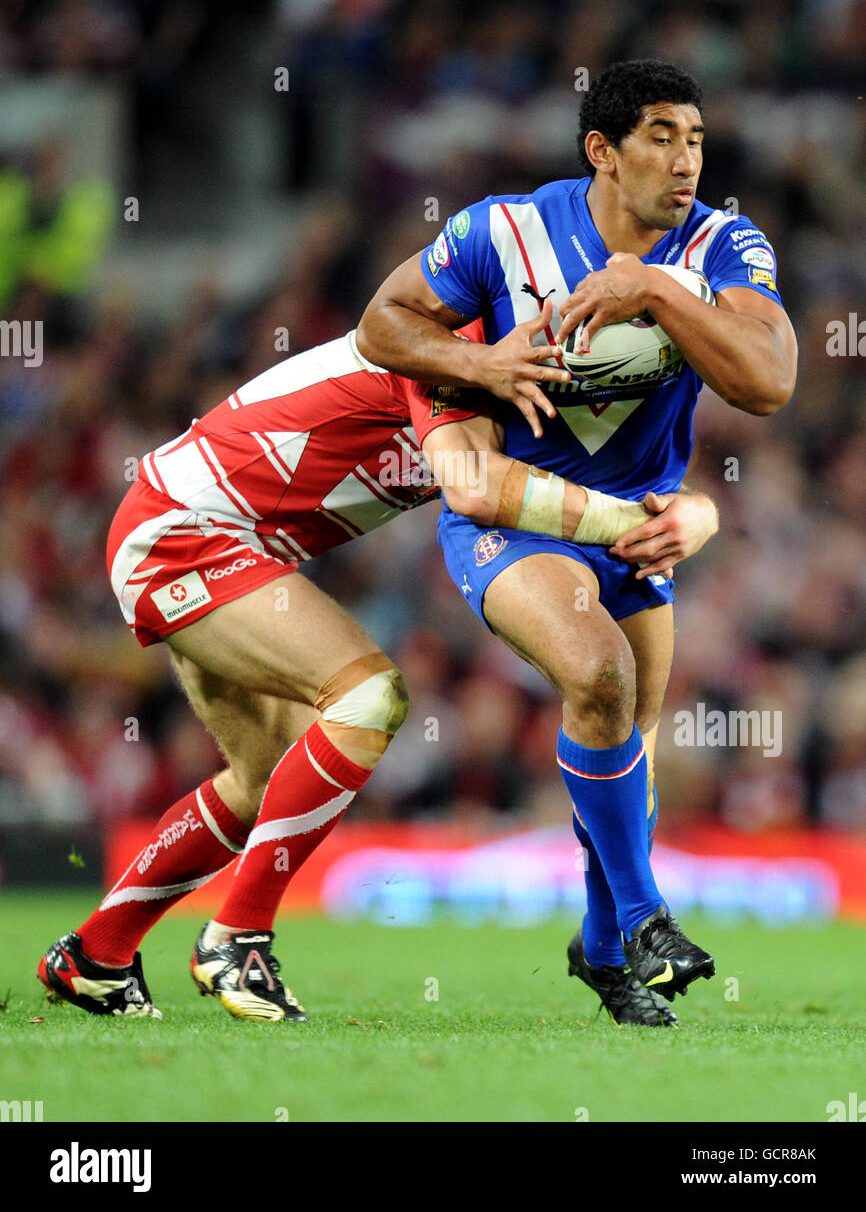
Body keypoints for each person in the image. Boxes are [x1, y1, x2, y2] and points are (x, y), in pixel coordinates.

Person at [37, 314, 718, 1023]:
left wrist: (696, 508)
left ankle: (96, 956)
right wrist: (643, 523)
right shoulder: (451, 348)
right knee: (366, 696)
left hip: (217, 534)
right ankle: (236, 939)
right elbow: (479, 488)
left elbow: (575, 475)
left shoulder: (502, 356)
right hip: (185, 532)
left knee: (266, 780)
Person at [356, 58, 797, 1018]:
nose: (687, 161)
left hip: (637, 530)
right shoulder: (499, 230)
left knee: (627, 742)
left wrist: (656, 294)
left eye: (697, 139)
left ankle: (601, 951)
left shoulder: (723, 243)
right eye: (661, 137)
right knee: (597, 676)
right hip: (513, 515)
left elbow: (767, 382)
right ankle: (644, 919)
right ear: (602, 149)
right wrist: (476, 358)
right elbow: (382, 324)